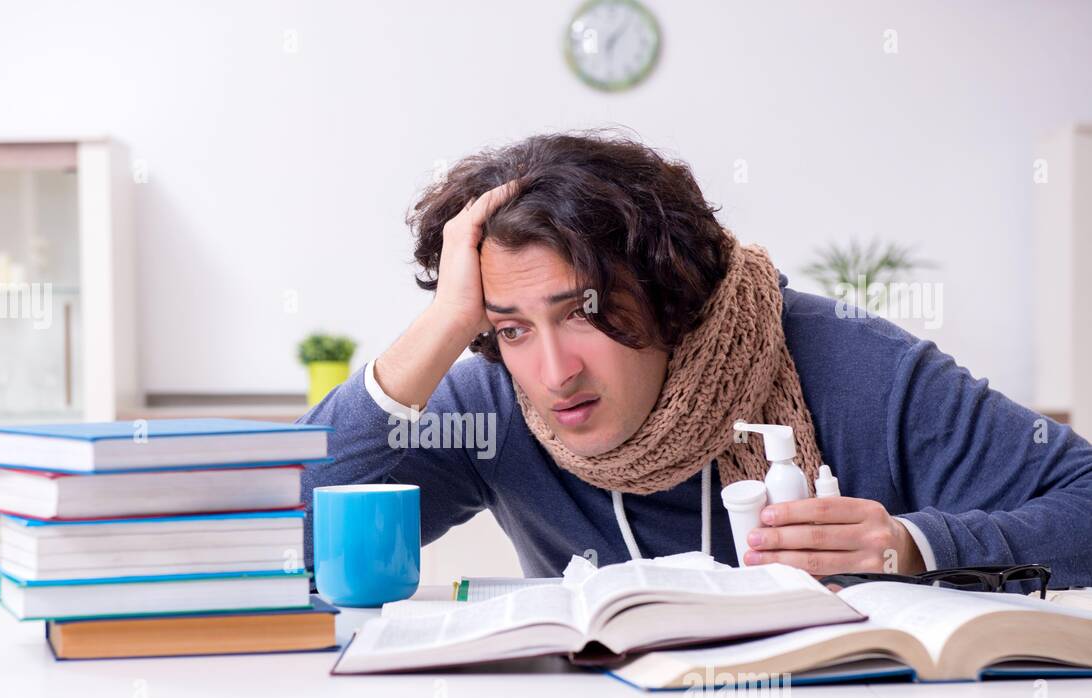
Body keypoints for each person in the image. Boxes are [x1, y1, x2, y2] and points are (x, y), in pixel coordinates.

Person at [297, 131, 1092, 588]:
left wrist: (917, 547)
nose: (554, 371)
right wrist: (443, 324)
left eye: (586, 311)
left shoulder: (852, 365)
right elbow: (292, 535)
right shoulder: (496, 404)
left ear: (668, 288)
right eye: (509, 327)